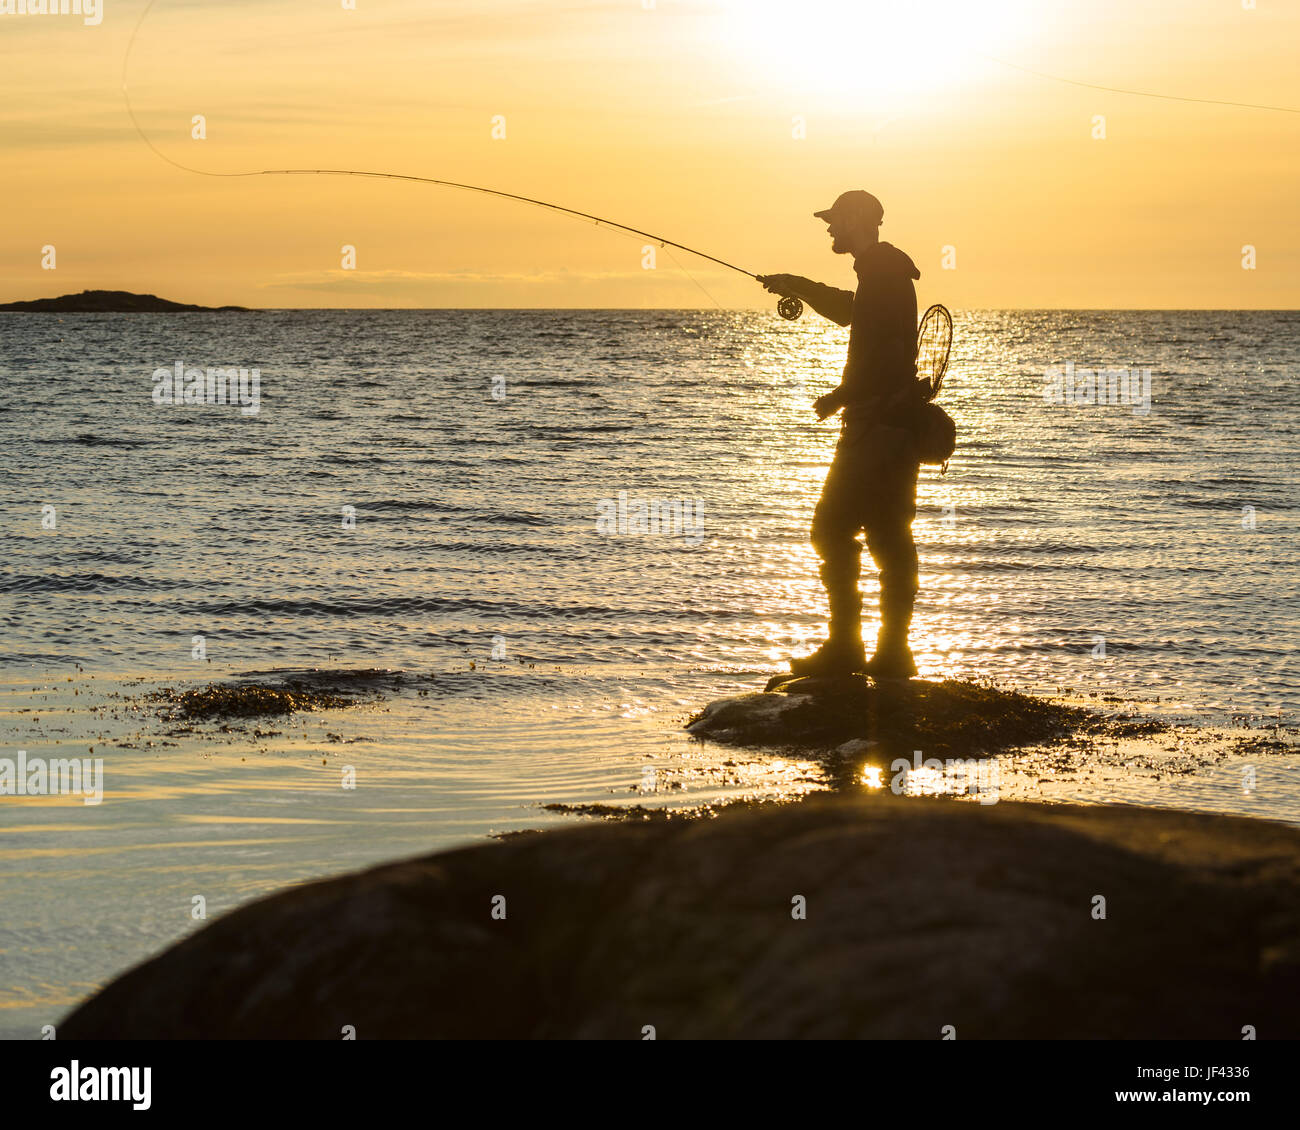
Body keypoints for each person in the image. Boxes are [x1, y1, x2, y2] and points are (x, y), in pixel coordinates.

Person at [759, 190, 923, 678]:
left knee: (835, 530)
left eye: (836, 222)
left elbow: (888, 354)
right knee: (887, 535)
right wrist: (797, 284)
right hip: (884, 426)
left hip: (878, 427)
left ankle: (856, 650)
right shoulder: (879, 272)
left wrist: (841, 396)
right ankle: (886, 653)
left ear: (858, 220)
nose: (831, 229)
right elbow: (853, 311)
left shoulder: (885, 272)